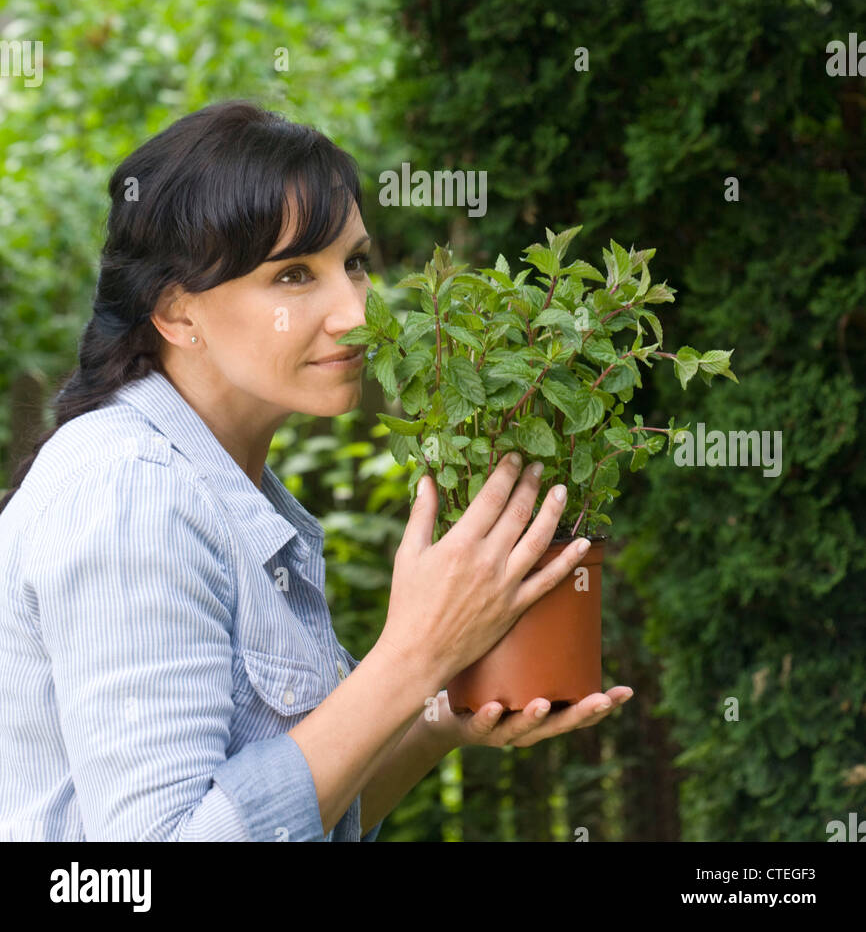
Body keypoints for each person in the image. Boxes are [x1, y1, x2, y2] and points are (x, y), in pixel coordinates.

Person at [0, 98, 631, 842]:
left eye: (355, 264)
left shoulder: (222, 485)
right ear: (175, 313)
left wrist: (436, 715)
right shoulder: (132, 492)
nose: (359, 315)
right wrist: (414, 654)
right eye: (294, 275)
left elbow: (297, 820)